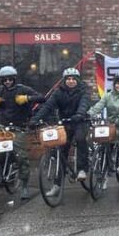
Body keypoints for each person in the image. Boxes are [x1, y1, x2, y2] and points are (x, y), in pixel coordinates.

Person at [29, 68, 91, 196]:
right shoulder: (58, 92)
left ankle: (82, 169)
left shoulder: (83, 91)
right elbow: (47, 106)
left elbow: (84, 104)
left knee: (80, 139)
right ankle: (57, 185)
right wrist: (35, 119)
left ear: (78, 80)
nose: (71, 81)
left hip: (80, 121)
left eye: (74, 79)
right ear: (64, 81)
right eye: (68, 79)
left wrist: (80, 114)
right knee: (61, 152)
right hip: (65, 123)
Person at [0, 65, 45, 200]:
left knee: (21, 156)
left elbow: (42, 98)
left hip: (19, 127)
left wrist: (27, 98)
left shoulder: (22, 89)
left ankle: (24, 185)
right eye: (5, 80)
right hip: (2, 127)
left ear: (14, 79)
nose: (7, 82)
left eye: (9, 79)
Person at [88, 74, 119, 167]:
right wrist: (89, 114)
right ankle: (102, 175)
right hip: (112, 127)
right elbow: (98, 106)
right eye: (117, 83)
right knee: (105, 150)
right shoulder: (108, 96)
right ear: (114, 85)